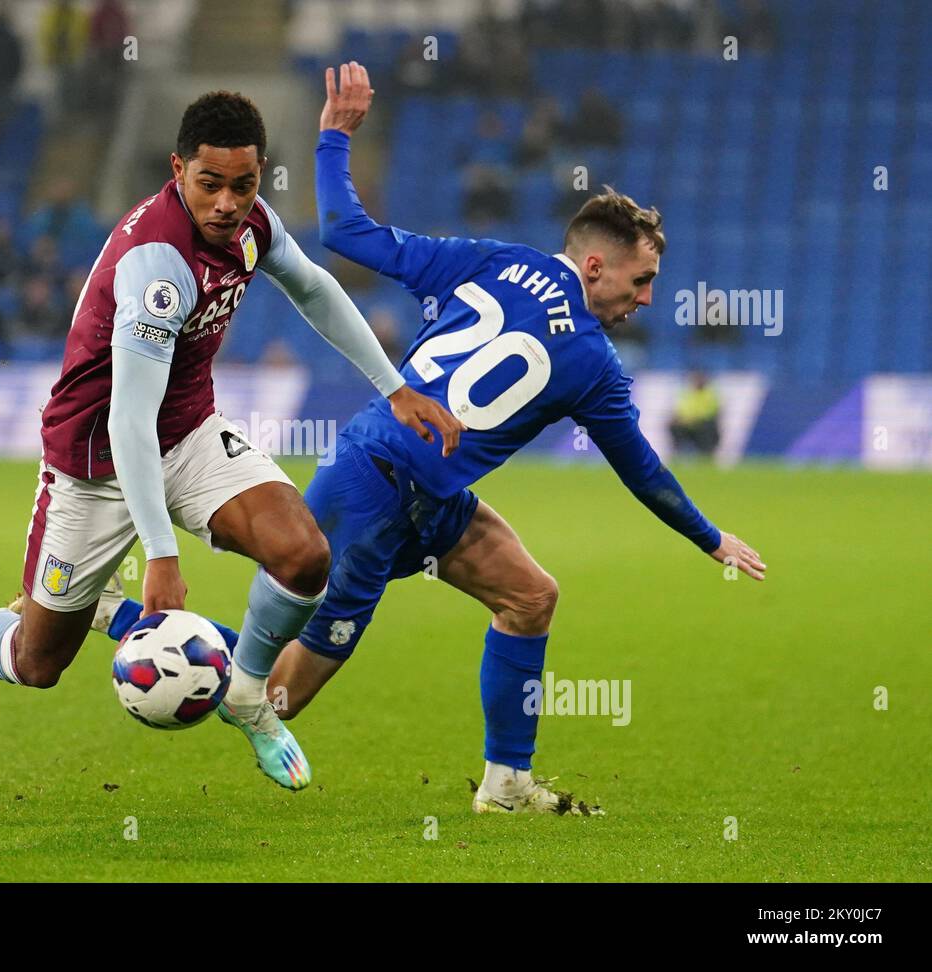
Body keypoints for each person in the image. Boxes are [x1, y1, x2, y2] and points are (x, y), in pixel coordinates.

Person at [91, 63, 766, 815]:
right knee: (276, 697)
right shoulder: (594, 366)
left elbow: (348, 234)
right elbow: (641, 470)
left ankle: (506, 786)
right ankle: (123, 619)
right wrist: (709, 538)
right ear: (596, 265)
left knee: (530, 596)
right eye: (640, 282)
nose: (645, 301)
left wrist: (334, 139)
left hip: (429, 490)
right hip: (374, 490)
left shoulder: (493, 260)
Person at [0, 89, 460, 792]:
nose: (228, 203)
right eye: (211, 184)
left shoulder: (252, 226)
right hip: (94, 462)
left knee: (302, 557)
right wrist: (162, 556)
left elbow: (315, 288)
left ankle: (245, 696)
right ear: (177, 169)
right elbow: (126, 423)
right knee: (35, 664)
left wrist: (395, 386)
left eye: (244, 184)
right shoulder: (157, 267)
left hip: (189, 434)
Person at [669, 372, 721, 456]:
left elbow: (709, 413)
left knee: (707, 426)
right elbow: (681, 410)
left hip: (703, 425)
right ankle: (678, 451)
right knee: (673, 425)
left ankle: (706, 454)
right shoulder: (687, 394)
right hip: (688, 425)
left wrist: (690, 419)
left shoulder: (709, 394)